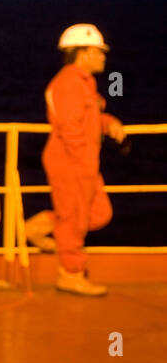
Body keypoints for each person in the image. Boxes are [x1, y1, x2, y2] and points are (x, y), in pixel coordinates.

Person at [27, 24, 126, 296]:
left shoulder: (83, 82)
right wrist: (83, 165)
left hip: (83, 161)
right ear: (82, 52)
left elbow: (88, 118)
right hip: (72, 161)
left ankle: (39, 226)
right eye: (99, 51)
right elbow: (70, 128)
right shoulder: (69, 83)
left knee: (99, 213)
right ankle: (70, 275)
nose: (104, 56)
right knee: (74, 221)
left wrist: (109, 123)